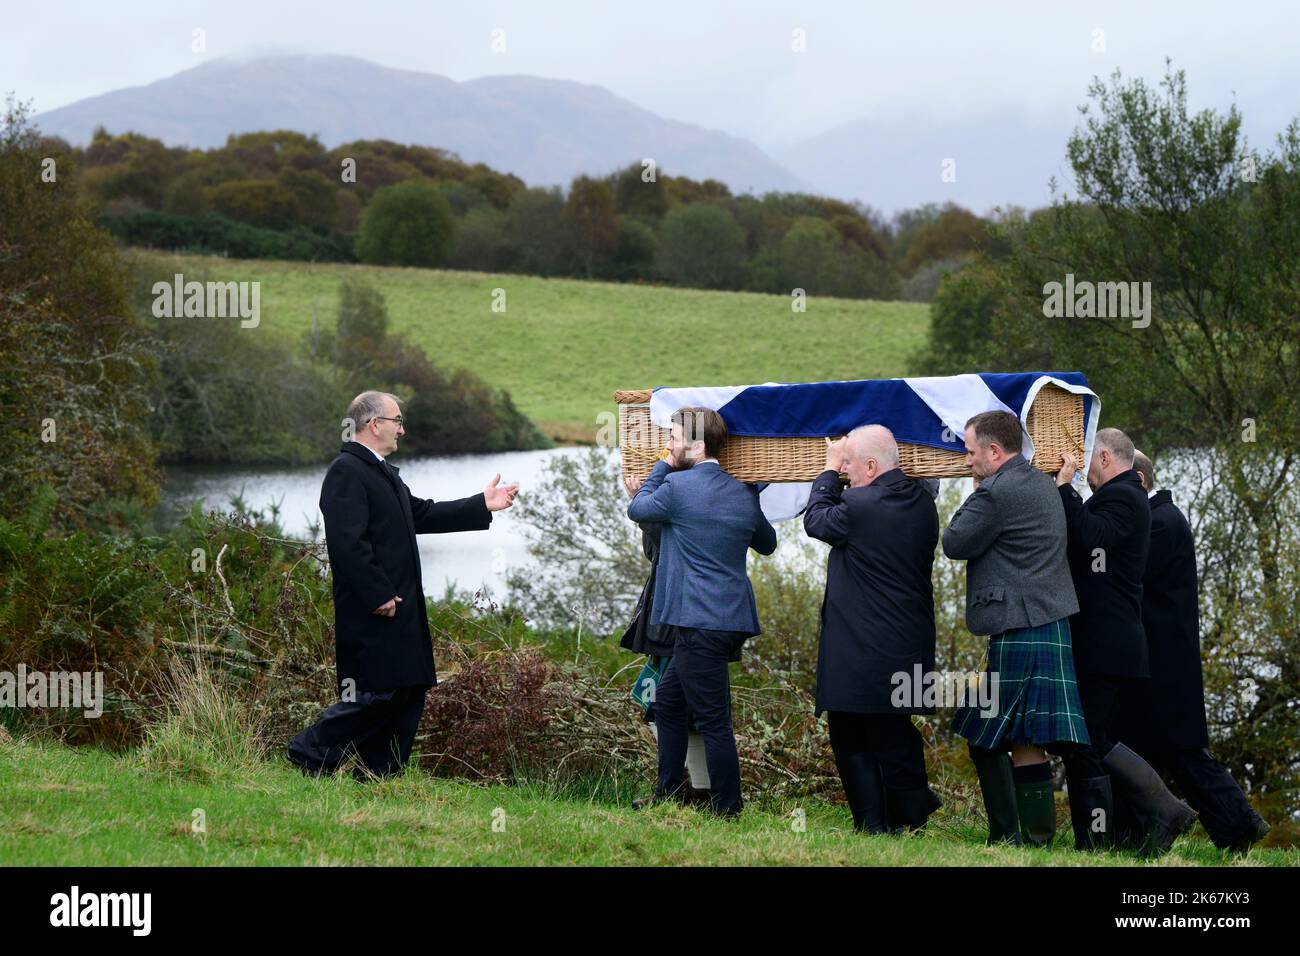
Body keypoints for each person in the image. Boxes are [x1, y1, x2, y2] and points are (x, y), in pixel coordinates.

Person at [288, 391, 518, 779]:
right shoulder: (347, 471)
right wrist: (376, 593)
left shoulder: (383, 472)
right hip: (373, 606)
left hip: (401, 605)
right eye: (397, 421)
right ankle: (310, 751)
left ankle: (379, 774)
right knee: (377, 692)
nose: (403, 429)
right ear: (374, 424)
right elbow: (347, 543)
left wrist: (482, 503)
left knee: (409, 688)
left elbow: (421, 514)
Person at [1109, 450, 1270, 852]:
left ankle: (1239, 822)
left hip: (1166, 664)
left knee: (1183, 753)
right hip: (1159, 661)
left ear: (1139, 481)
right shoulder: (1160, 519)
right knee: (1154, 748)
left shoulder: (1161, 523)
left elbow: (1124, 574)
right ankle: (1136, 835)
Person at [943, 410, 1089, 847]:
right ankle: (1036, 840)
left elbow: (954, 543)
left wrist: (975, 494)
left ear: (993, 450)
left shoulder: (995, 493)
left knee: (983, 735)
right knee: (1026, 739)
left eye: (970, 452)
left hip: (1021, 626)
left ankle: (1008, 836)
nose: (967, 461)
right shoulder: (1043, 483)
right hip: (1049, 622)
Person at [626, 406, 777, 816]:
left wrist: (663, 466)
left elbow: (637, 509)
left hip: (698, 621)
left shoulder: (678, 488)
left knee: (714, 722)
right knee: (669, 705)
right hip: (725, 620)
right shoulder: (743, 492)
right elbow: (767, 543)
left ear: (697, 444)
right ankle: (669, 792)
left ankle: (728, 809)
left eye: (673, 437)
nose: (668, 443)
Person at [1055, 427, 1197, 855]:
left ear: (1103, 457)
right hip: (1107, 642)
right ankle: (1107, 836)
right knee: (1091, 739)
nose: (1083, 469)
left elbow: (1088, 537)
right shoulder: (1125, 495)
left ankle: (1163, 810)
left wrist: (1064, 488)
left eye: (1086, 461)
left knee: (1090, 740)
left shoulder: (1123, 496)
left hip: (1106, 643)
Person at [803, 425, 943, 833]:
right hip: (907, 643)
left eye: (848, 464)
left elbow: (815, 520)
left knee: (850, 734)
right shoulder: (922, 503)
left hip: (861, 644)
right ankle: (904, 816)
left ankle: (878, 823)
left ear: (870, 465)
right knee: (894, 732)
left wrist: (827, 471)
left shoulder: (860, 506)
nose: (845, 472)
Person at [618, 515, 712, 808]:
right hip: (666, 622)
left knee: (683, 709)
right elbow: (655, 551)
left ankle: (697, 790)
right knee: (659, 704)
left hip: (687, 619)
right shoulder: (671, 493)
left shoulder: (697, 493)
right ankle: (685, 787)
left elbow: (677, 544)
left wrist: (644, 508)